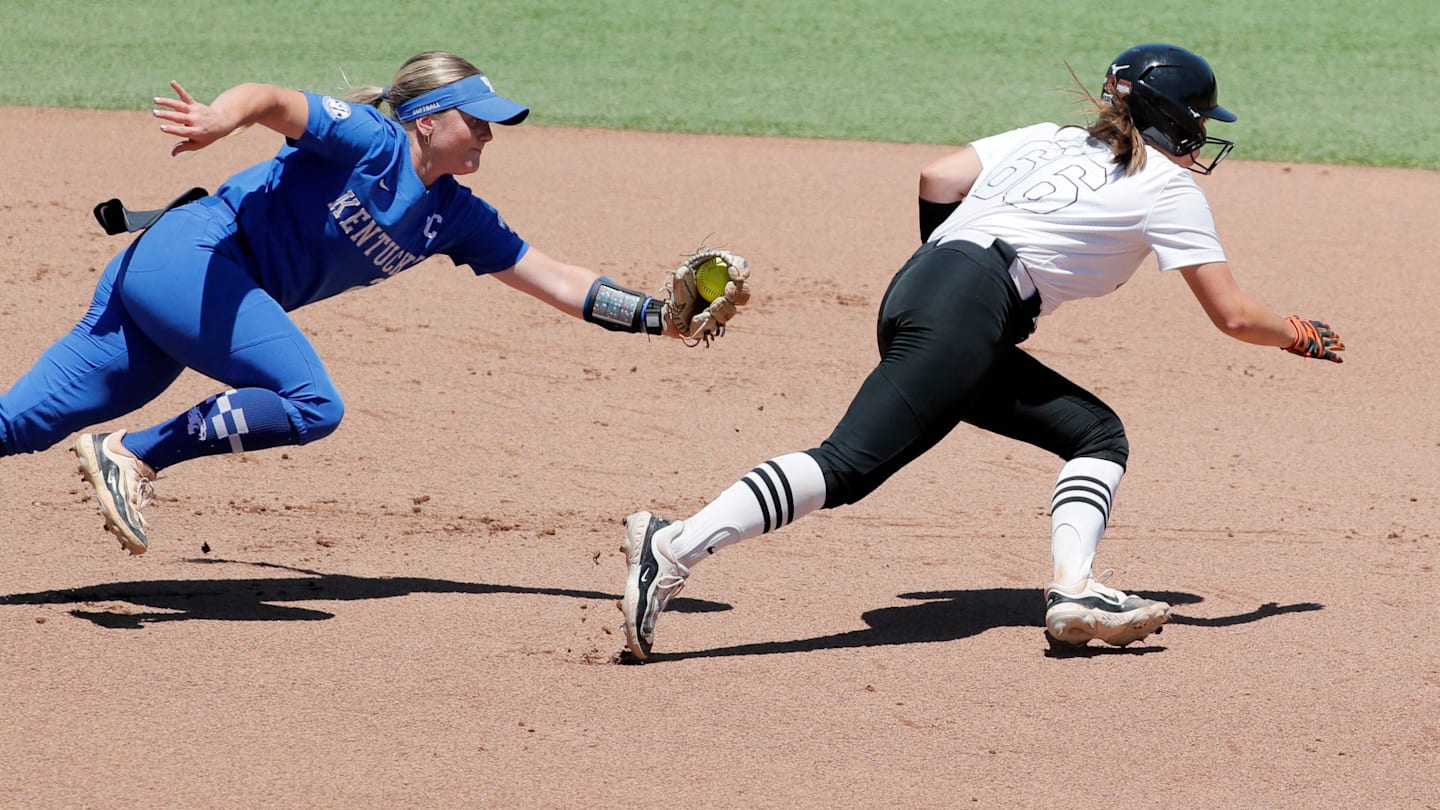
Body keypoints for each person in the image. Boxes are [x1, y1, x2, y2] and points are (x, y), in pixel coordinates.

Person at [618, 43, 1345, 660]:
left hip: (922, 287)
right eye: (1199, 121)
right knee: (846, 466)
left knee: (1095, 434)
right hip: (966, 309)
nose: (1202, 135)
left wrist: (952, 281)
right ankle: (673, 546)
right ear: (1176, 119)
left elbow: (938, 176)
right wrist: (1297, 333)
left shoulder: (1050, 137)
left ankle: (1075, 592)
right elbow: (1233, 315)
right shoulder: (1166, 187)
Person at [0, 50, 706, 555]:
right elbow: (270, 98)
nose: (489, 133)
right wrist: (220, 118)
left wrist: (656, 317)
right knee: (313, 404)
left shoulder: (455, 217)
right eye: (476, 119)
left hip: (191, 290)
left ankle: (124, 452)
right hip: (196, 259)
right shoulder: (371, 141)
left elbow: (552, 277)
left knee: (20, 423)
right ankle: (132, 454)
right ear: (426, 120)